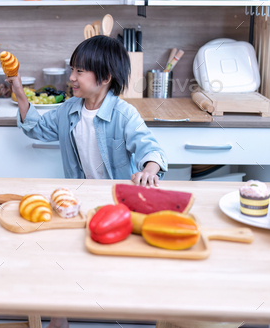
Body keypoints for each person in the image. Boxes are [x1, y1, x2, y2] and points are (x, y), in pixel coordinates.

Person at [9, 35, 168, 328]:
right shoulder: (68, 109)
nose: (71, 77)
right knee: (61, 250)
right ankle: (59, 317)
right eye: (73, 70)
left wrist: (150, 168)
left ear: (105, 77)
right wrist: (19, 92)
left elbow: (149, 147)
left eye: (80, 71)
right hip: (78, 198)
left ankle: (132, 307)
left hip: (115, 201)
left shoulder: (124, 114)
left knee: (115, 259)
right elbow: (36, 128)